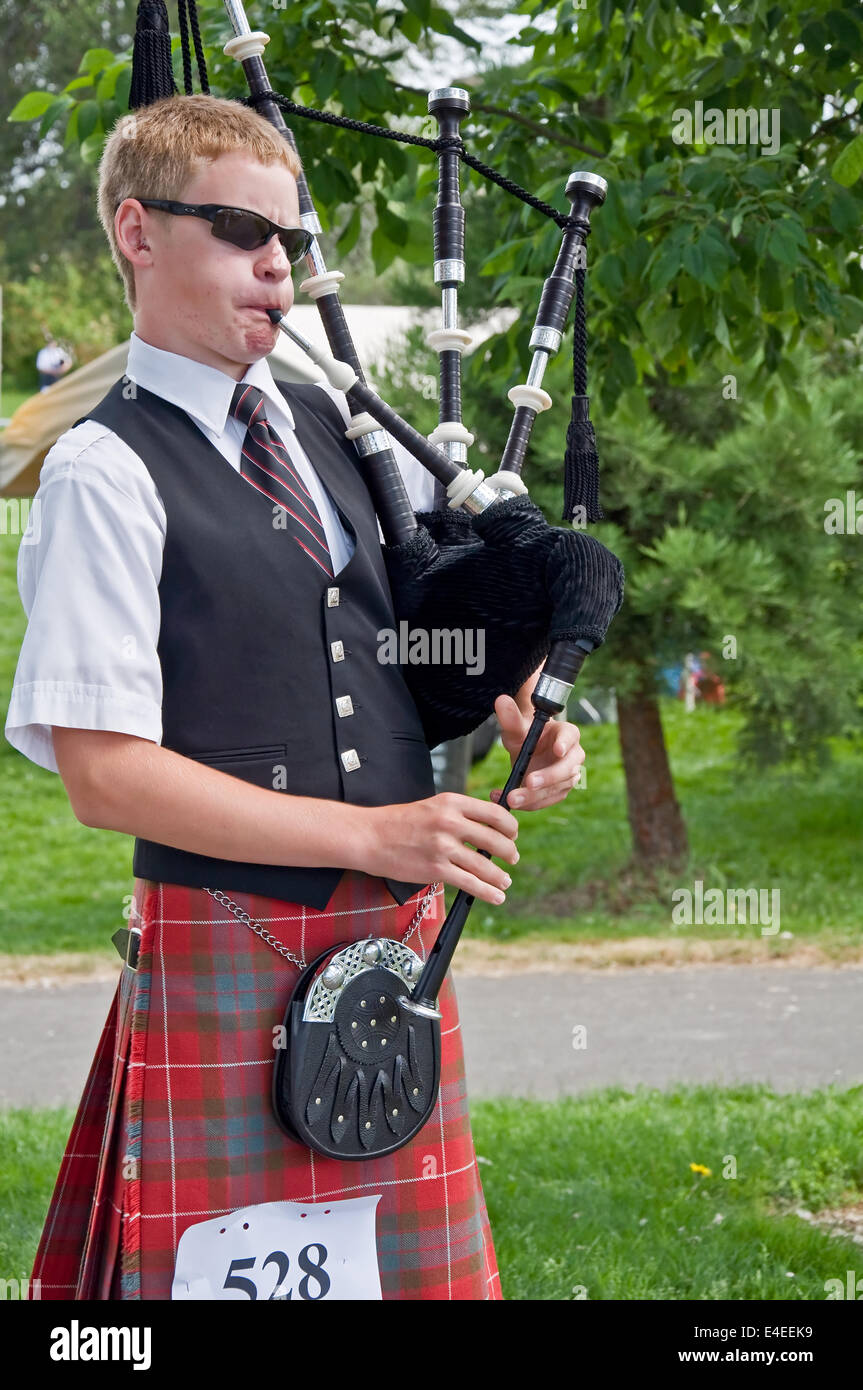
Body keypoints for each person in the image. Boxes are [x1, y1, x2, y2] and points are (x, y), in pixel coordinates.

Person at [5, 93, 587, 1301]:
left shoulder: (324, 423)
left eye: (289, 241)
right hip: (227, 940)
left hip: (392, 946)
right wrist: (376, 834)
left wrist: (519, 691)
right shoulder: (103, 470)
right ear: (137, 232)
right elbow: (104, 772)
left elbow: (397, 636)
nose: (276, 265)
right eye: (236, 228)